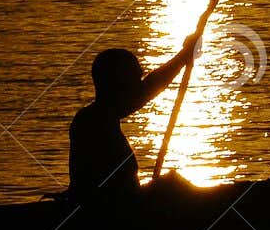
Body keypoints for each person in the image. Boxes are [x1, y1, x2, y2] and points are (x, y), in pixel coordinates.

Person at [68, 36, 199, 201]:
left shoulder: (100, 117)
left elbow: (145, 90)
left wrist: (184, 55)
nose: (140, 80)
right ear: (117, 84)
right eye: (135, 78)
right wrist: (183, 56)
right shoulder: (91, 122)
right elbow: (146, 90)